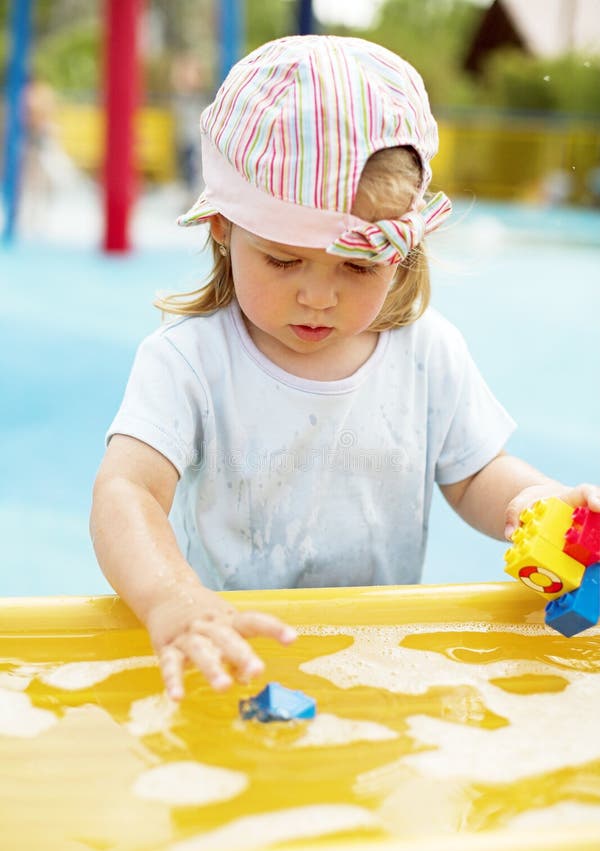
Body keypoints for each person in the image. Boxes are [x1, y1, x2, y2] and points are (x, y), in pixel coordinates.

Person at [90, 35, 600, 702]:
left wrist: (530, 502)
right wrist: (171, 597)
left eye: (358, 268)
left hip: (373, 662)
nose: (318, 295)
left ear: (400, 253)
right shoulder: (188, 361)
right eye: (283, 260)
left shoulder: (426, 354)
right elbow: (126, 493)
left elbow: (476, 473)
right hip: (234, 655)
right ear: (222, 227)